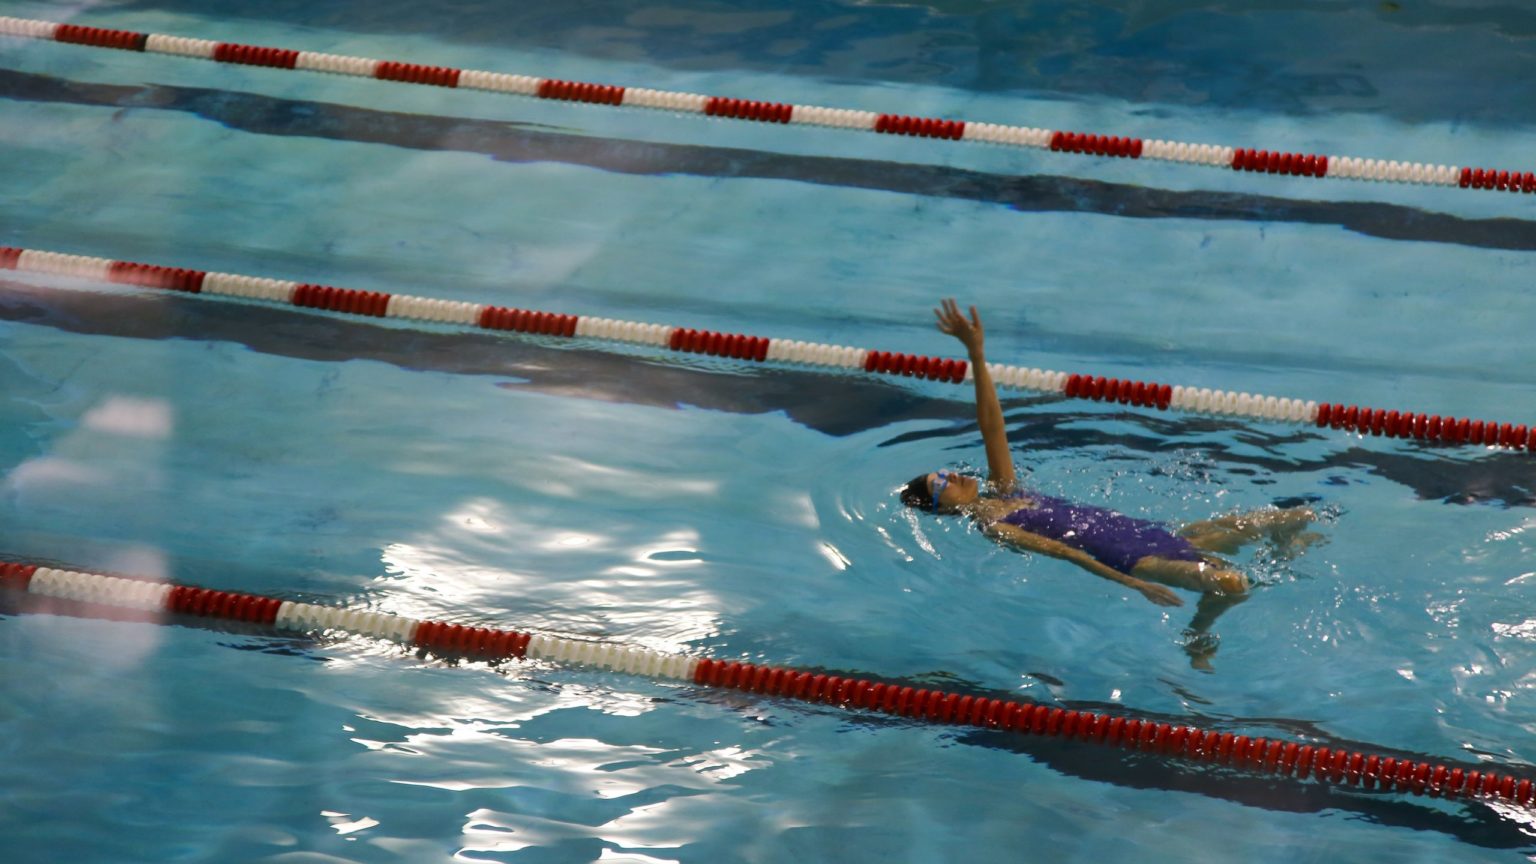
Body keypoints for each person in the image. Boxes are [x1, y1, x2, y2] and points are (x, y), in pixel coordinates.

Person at [902, 300, 1319, 667]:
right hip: (1133, 560)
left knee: (1293, 517)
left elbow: (992, 426)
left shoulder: (1006, 489)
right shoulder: (995, 526)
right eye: (941, 484)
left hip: (1149, 533)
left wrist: (976, 352)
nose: (950, 474)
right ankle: (1198, 634)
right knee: (1232, 584)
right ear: (942, 508)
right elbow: (1066, 552)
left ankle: (1281, 551)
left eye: (942, 471)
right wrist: (1134, 583)